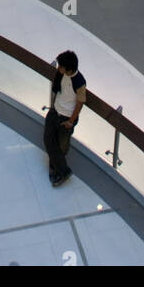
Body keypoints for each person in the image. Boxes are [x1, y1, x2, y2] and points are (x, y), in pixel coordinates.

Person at [44, 49, 87, 186]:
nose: (58, 68)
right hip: (55, 112)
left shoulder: (79, 82)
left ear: (68, 69)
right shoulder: (61, 74)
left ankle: (59, 169)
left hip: (66, 118)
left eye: (61, 66)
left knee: (62, 146)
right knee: (48, 139)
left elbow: (80, 103)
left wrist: (70, 122)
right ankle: (61, 169)